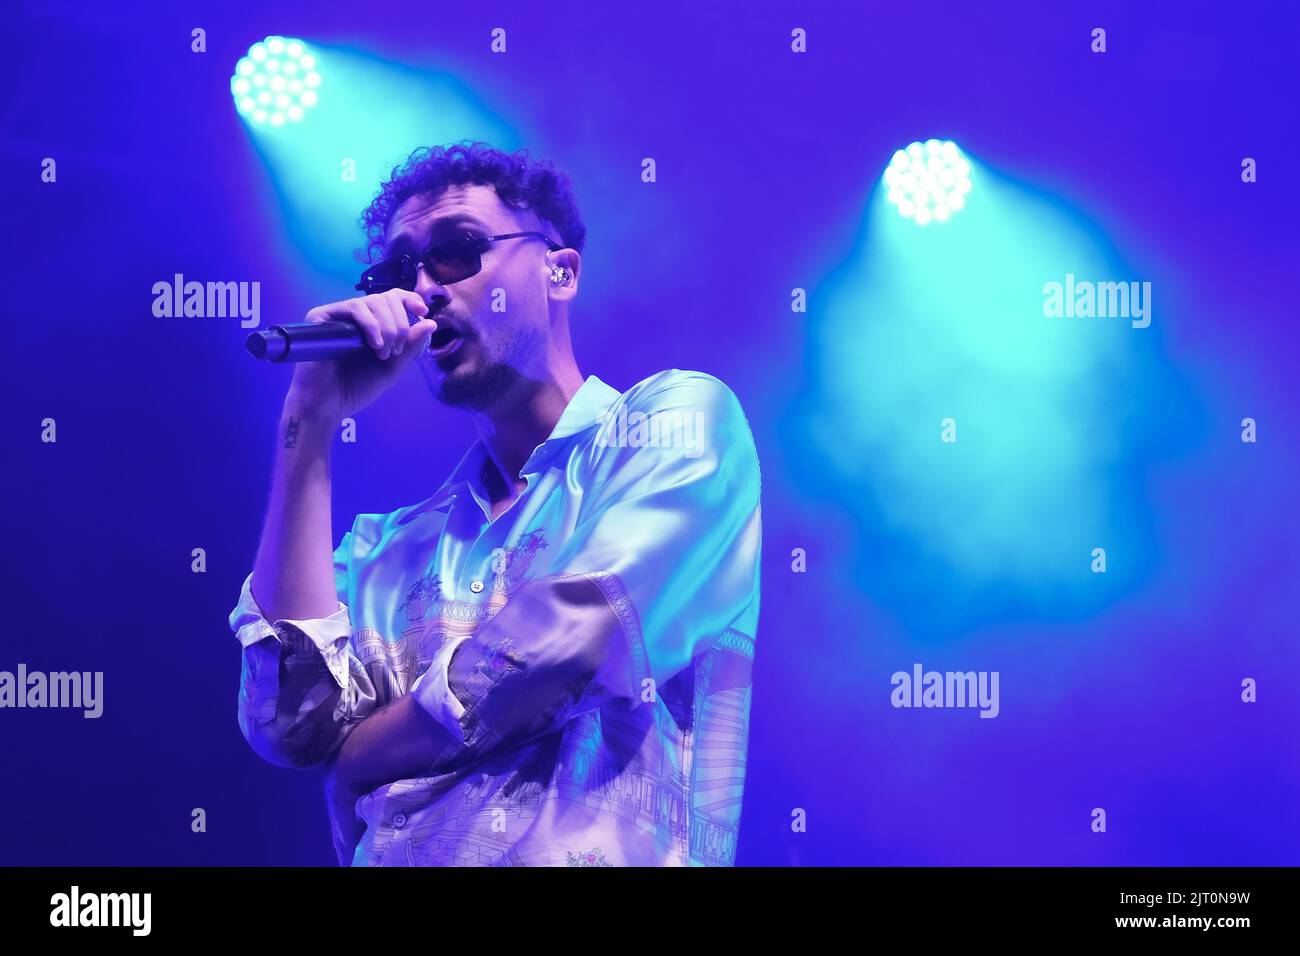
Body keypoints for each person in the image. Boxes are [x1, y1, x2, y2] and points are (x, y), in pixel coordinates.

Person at [227, 141, 762, 866]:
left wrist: (364, 759)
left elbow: (579, 637)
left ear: (559, 269)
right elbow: (287, 726)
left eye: (456, 251)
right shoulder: (384, 549)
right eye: (399, 270)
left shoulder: (674, 424)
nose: (423, 289)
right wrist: (310, 423)